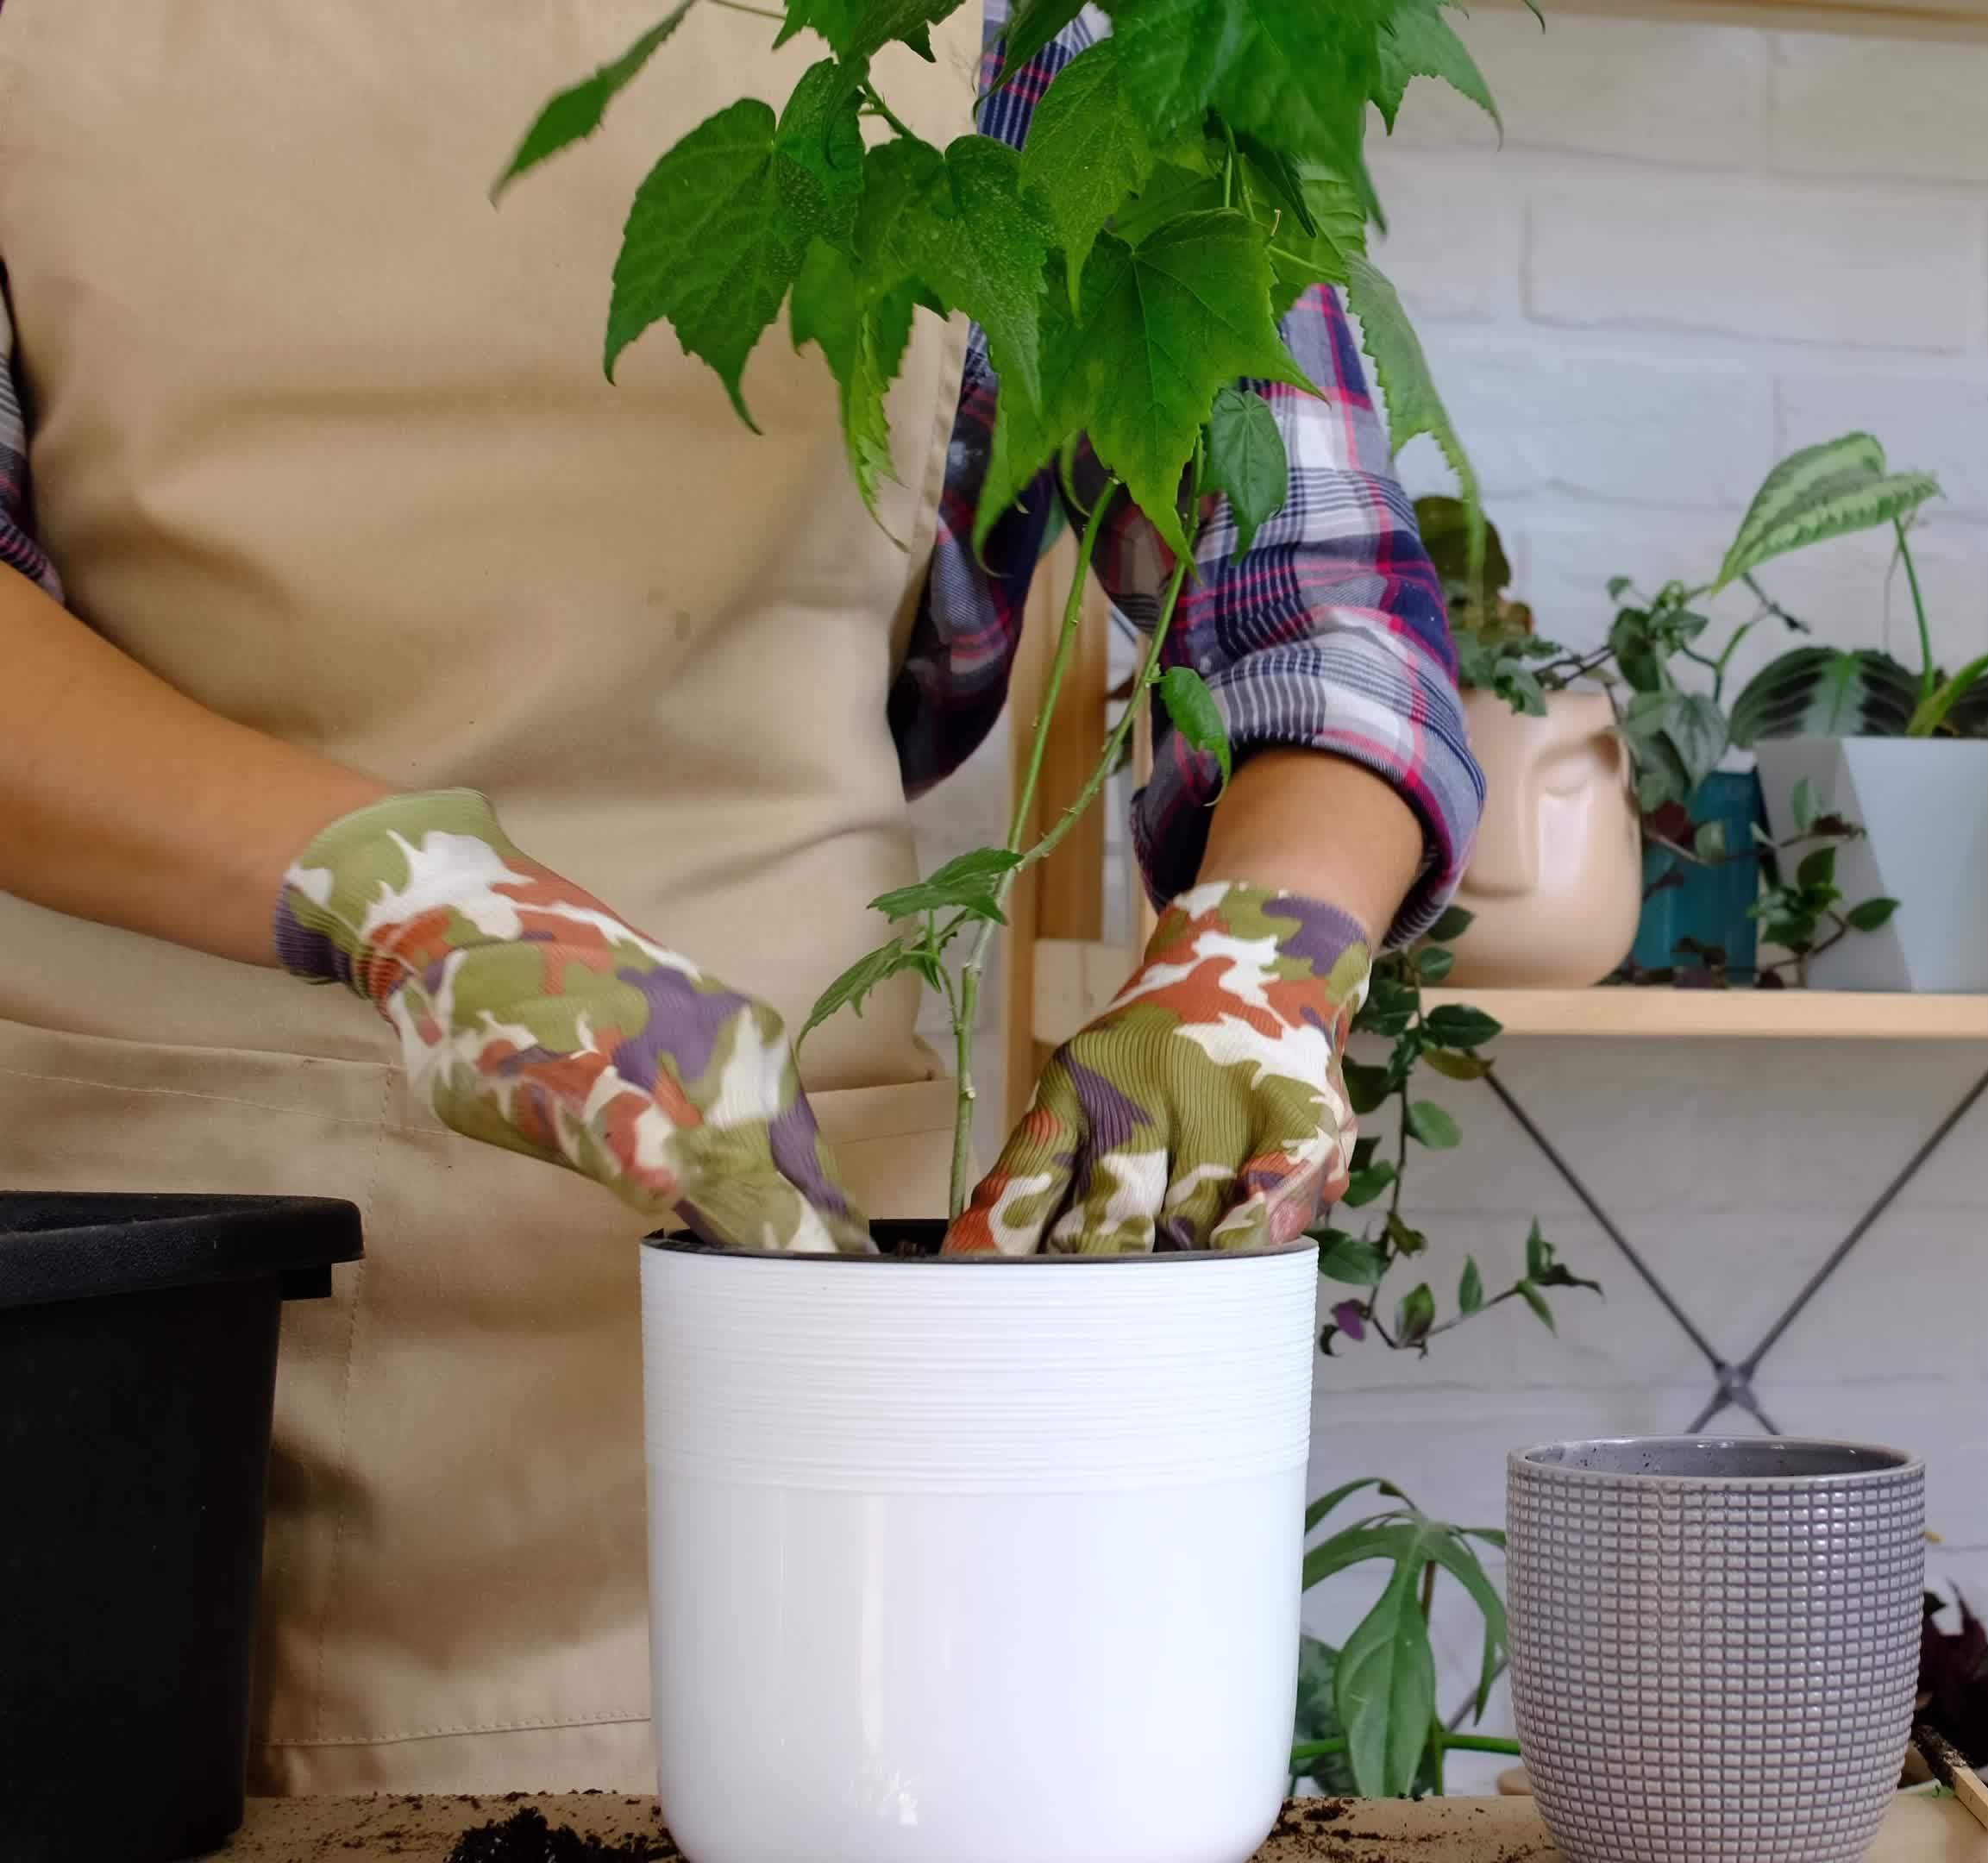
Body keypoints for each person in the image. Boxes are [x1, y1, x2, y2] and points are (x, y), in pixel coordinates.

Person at [0, 0, 1478, 1793]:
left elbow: (1318, 596)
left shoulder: (1030, 31)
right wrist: (404, 894)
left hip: (787, 1300)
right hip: (145, 1321)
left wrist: (1266, 951)